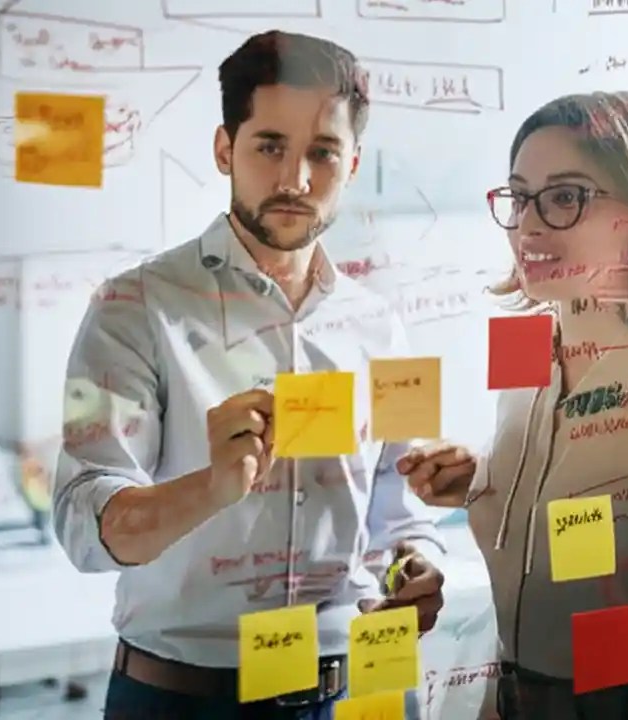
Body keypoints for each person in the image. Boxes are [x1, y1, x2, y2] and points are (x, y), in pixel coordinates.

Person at [54, 30, 445, 720]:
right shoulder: (134, 306)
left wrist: (414, 563)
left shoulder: (381, 325)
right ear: (223, 149)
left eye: (322, 152)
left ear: (352, 164)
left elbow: (399, 506)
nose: (296, 180)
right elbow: (84, 525)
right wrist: (211, 487)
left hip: (356, 690)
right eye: (269, 146)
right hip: (186, 701)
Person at [400, 91, 628, 719]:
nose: (529, 227)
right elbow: (583, 503)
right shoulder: (527, 354)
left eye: (566, 198)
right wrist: (480, 481)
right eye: (520, 198)